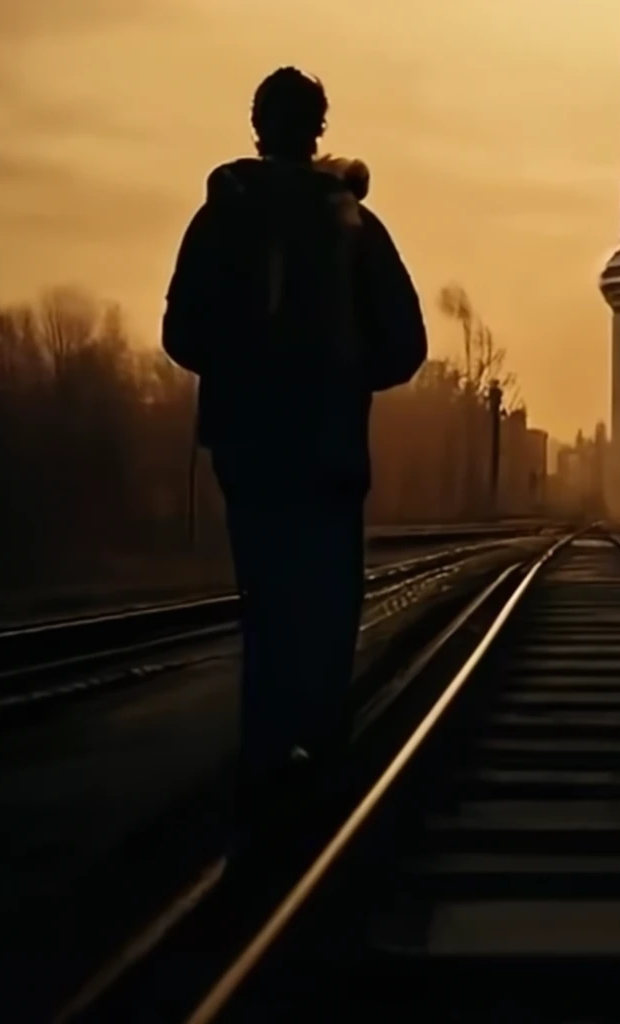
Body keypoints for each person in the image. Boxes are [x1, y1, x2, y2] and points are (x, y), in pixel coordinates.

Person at [161, 66, 427, 842]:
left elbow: (180, 335)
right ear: (318, 127)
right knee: (328, 606)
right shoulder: (352, 220)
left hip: (248, 449)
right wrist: (345, 379)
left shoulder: (222, 214)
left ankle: (265, 762)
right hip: (330, 447)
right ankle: (323, 764)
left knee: (267, 606)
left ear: (257, 126)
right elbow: (406, 343)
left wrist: (243, 370)